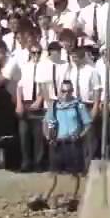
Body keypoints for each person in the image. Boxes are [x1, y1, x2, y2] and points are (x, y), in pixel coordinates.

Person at [32, 79, 90, 210]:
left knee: (74, 173)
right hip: (58, 143)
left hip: (72, 143)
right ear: (60, 91)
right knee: (53, 172)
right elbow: (46, 122)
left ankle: (73, 199)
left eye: (69, 91)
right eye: (64, 91)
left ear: (72, 91)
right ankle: (45, 198)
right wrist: (47, 136)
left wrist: (80, 135)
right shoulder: (54, 105)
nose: (66, 94)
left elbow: (87, 123)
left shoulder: (78, 105)